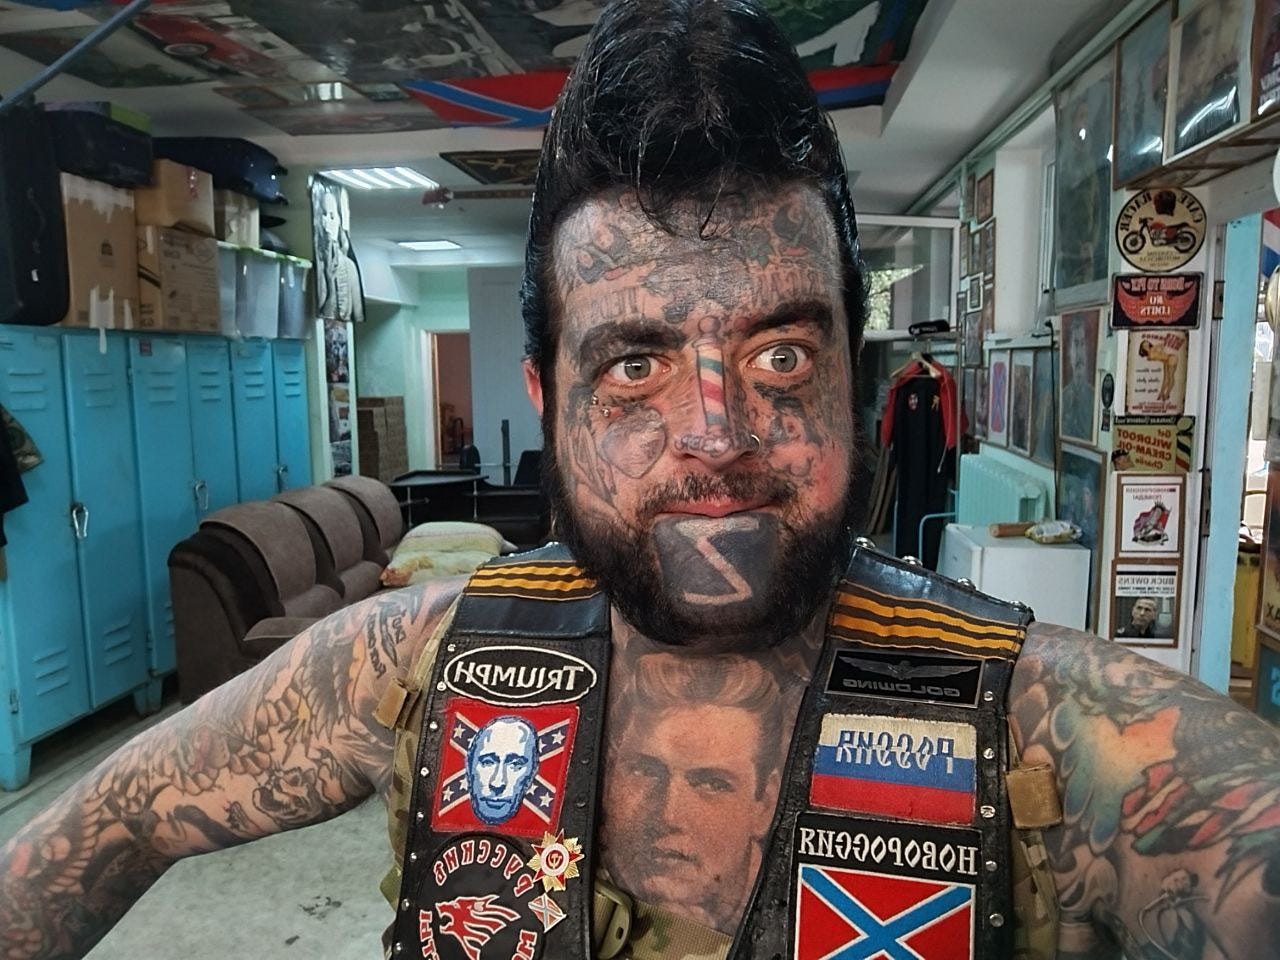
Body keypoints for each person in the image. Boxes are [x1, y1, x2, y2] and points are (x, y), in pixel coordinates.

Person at [4, 3, 1280, 959]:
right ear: (548, 398)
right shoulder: (413, 662)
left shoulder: (1055, 727)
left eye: (780, 353)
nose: (715, 436)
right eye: (633, 366)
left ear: (851, 374)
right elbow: (112, 815)